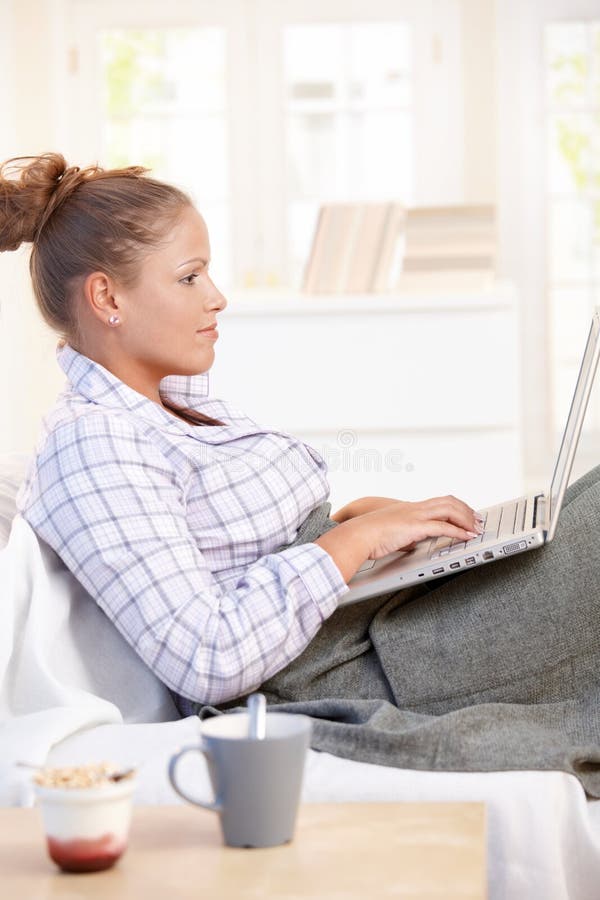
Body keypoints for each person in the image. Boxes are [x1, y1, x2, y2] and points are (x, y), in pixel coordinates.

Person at [4, 154, 600, 795]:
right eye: (189, 277)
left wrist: (357, 521)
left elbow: (232, 546)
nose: (217, 297)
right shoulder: (94, 447)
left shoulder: (171, 405)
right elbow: (207, 655)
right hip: (359, 661)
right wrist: (350, 545)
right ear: (107, 297)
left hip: (375, 616)